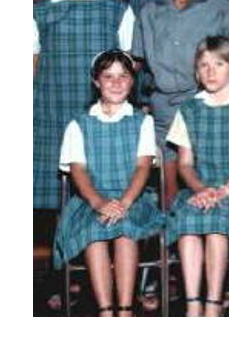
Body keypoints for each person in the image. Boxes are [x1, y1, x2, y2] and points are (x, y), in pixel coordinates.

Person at [52, 50, 164, 316]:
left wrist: (124, 202)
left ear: (133, 81)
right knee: (95, 229)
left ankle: (125, 309)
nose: (115, 82)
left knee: (125, 228)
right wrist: (99, 202)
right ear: (96, 82)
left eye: (123, 76)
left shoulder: (143, 122)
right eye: (108, 76)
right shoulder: (79, 124)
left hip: (133, 198)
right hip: (92, 199)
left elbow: (142, 166)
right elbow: (78, 170)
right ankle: (105, 310)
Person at [133, 0, 229, 205]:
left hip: (206, 107)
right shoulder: (150, 12)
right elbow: (140, 66)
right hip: (164, 110)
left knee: (205, 185)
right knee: (169, 190)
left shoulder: (222, 10)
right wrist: (145, 102)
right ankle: (171, 241)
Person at [165, 36, 229, 317]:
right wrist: (201, 189)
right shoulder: (188, 109)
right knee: (187, 218)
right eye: (203, 65)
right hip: (198, 188)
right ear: (196, 72)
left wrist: (222, 191)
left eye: (218, 64)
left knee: (216, 219)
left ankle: (213, 302)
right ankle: (192, 302)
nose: (210, 72)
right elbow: (185, 164)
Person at [34, 0, 135, 209]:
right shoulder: (39, 10)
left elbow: (128, 65)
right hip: (51, 113)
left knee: (102, 191)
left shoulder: (117, 9)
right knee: (54, 198)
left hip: (102, 113)